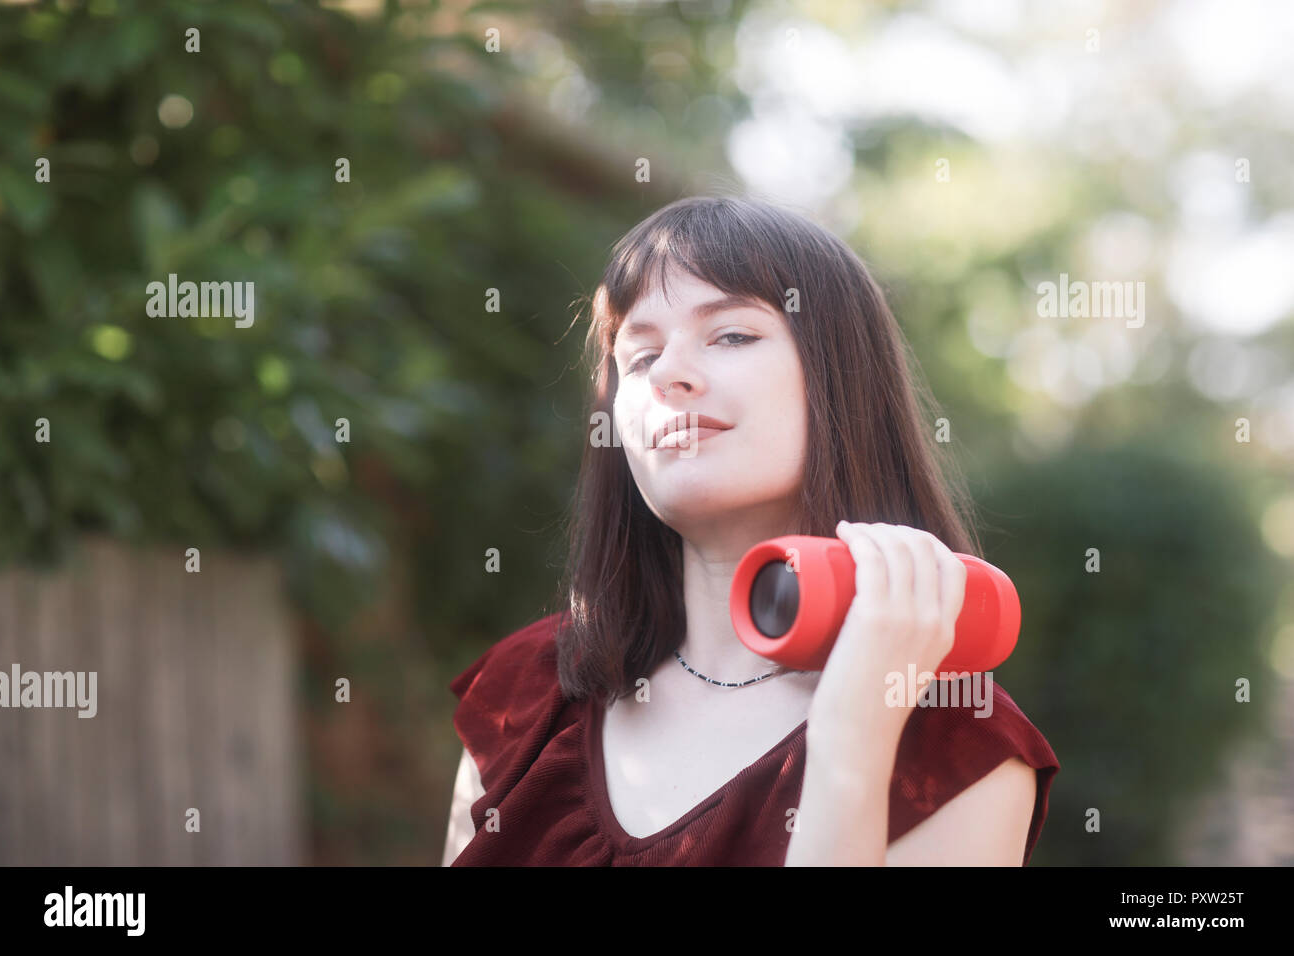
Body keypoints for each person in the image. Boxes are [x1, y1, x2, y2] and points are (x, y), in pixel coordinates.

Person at [443, 195, 1059, 866]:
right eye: (640, 357)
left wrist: (851, 736)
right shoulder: (523, 695)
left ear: (840, 380)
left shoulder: (959, 750)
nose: (669, 375)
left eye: (731, 334)